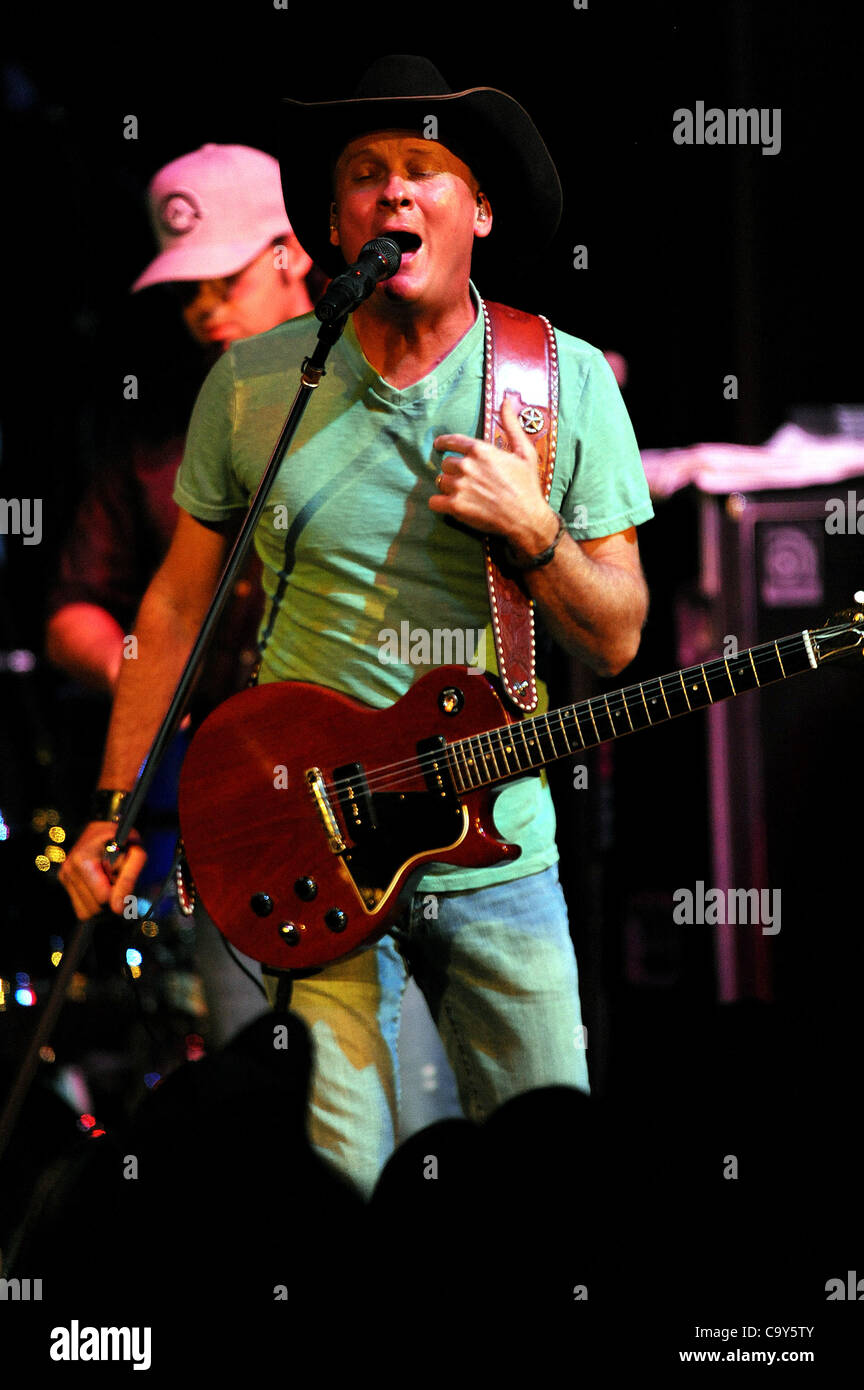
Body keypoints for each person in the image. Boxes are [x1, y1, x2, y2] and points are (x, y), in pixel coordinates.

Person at [59, 57, 653, 1198]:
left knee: (550, 1182)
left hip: (498, 849)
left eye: (425, 170)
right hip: (309, 839)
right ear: (331, 224)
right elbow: (173, 608)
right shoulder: (254, 381)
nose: (394, 194)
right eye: (366, 175)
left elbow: (618, 640)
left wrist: (536, 534)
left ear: (477, 210)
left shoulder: (562, 379)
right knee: (331, 1184)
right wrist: (112, 805)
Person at [46, 144, 315, 1046]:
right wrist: (140, 677)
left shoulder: (376, 393)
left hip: (372, 781)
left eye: (224, 279)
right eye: (187, 291)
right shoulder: (161, 431)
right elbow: (79, 606)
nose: (203, 308)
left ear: (293, 252)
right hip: (229, 805)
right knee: (259, 1086)